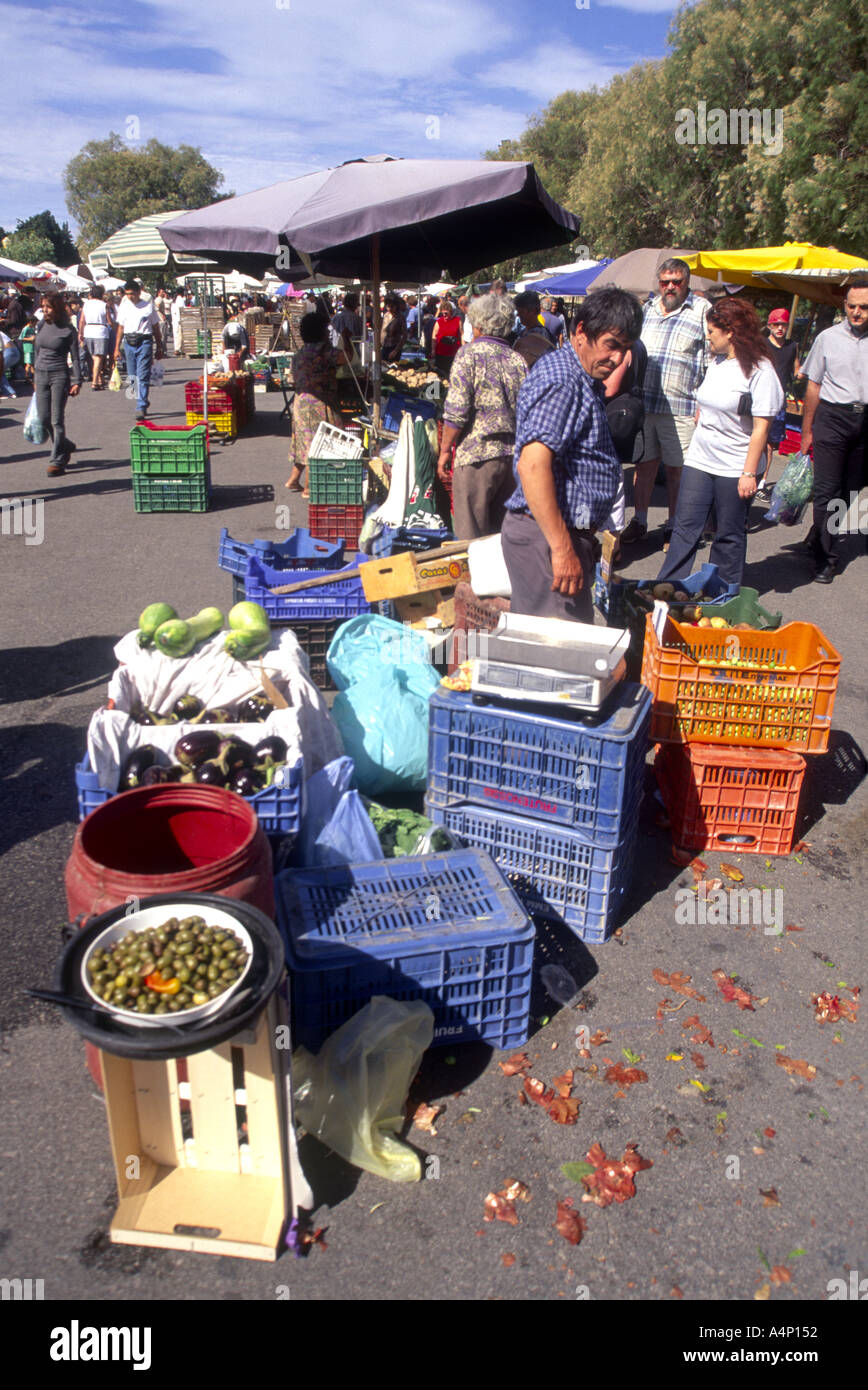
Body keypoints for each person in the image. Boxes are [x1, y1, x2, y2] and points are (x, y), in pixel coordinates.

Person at [501, 287, 642, 622]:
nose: (619, 358)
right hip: (545, 541)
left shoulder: (579, 378)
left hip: (554, 536)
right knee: (553, 657)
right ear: (581, 332)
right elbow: (533, 465)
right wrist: (563, 548)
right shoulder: (564, 380)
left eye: (626, 349)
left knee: (555, 654)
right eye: (612, 345)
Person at [655, 297, 783, 588]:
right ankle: (666, 589)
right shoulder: (717, 362)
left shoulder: (761, 371)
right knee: (685, 527)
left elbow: (762, 427)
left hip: (735, 466)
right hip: (701, 459)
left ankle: (723, 593)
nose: (708, 337)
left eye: (712, 331)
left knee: (728, 533)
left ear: (731, 333)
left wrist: (749, 473)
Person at [620, 258, 709, 551]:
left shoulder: (701, 312)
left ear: (687, 282)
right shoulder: (646, 311)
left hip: (681, 408)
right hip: (645, 406)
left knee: (676, 471)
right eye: (665, 281)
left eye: (677, 281)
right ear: (658, 283)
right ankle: (640, 521)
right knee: (643, 468)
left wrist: (704, 405)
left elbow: (712, 361)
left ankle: (674, 526)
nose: (670, 287)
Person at [436, 293, 528, 540]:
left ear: (477, 324)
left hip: (476, 456)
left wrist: (444, 450)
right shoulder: (517, 359)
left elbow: (457, 411)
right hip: (510, 458)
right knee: (501, 537)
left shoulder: (468, 355)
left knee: (471, 539)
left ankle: (474, 580)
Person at [799, 276, 868, 584]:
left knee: (852, 492)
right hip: (832, 417)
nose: (857, 312)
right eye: (852, 306)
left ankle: (819, 534)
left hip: (865, 420)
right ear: (845, 305)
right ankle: (826, 558)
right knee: (827, 491)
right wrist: (807, 429)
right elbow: (813, 385)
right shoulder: (827, 337)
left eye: (864, 307)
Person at [286, 312, 348, 494]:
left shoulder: (299, 354)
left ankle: (293, 480)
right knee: (318, 444)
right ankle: (309, 488)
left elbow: (292, 378)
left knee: (303, 443)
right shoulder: (324, 351)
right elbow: (346, 357)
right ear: (321, 331)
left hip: (300, 402)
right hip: (319, 404)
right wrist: (345, 338)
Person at [34, 291, 82, 477]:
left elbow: (76, 359)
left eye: (48, 307)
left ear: (57, 308)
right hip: (41, 375)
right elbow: (38, 350)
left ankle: (57, 460)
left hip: (59, 376)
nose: (45, 310)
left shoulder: (68, 330)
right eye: (43, 306)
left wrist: (77, 381)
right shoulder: (41, 325)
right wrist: (34, 374)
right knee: (43, 419)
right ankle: (66, 445)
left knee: (56, 420)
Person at [760, 307, 800, 492]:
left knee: (770, 444)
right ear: (769, 326)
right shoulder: (762, 345)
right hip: (760, 398)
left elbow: (797, 371)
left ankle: (763, 479)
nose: (779, 328)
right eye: (776, 324)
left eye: (783, 325)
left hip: (779, 402)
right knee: (754, 438)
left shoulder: (792, 346)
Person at [112, 280, 163, 420]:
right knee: (132, 375)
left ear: (139, 292)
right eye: (127, 294)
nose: (130, 297)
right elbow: (120, 328)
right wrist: (116, 348)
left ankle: (140, 406)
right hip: (129, 342)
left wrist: (159, 346)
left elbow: (156, 328)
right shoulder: (124, 307)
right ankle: (142, 400)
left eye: (132, 294)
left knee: (142, 374)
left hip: (144, 341)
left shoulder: (148, 306)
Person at [79, 285, 112, 389]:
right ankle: (94, 381)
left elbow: (82, 320)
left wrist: (81, 333)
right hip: (100, 331)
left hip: (88, 330)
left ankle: (99, 379)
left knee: (94, 357)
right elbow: (109, 321)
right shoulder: (104, 305)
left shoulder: (86, 304)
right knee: (99, 357)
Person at [512, 291, 556, 368]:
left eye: (521, 311)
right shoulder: (524, 332)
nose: (518, 315)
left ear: (532, 311)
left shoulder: (539, 334)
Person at [431, 297, 462, 373]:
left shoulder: (458, 320)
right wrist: (433, 350)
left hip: (453, 352)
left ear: (451, 311)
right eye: (442, 313)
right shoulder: (439, 322)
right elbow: (434, 336)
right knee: (440, 372)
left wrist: (462, 348)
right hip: (441, 352)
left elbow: (462, 335)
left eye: (446, 313)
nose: (444, 315)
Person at [381, 293, 407, 363]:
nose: (389, 309)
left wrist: (396, 351)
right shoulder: (385, 315)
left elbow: (404, 336)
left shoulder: (400, 318)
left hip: (394, 348)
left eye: (392, 307)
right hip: (383, 347)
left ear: (396, 306)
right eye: (387, 306)